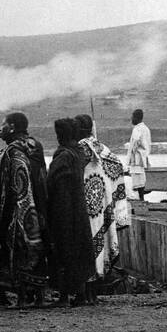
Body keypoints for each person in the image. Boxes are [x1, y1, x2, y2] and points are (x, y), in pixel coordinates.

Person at [0, 110, 48, 307]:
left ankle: (20, 296)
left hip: (16, 212)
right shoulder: (36, 146)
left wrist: (0, 219)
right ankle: (38, 296)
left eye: (3, 124)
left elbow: (4, 189)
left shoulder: (10, 153)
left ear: (12, 127)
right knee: (37, 248)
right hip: (38, 210)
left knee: (13, 250)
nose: (0, 128)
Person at [45, 118, 96, 306]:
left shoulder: (63, 155)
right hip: (78, 209)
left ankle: (64, 296)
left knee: (63, 249)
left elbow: (52, 182)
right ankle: (80, 294)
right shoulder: (78, 153)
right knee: (79, 249)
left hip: (62, 209)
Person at [74, 113, 127, 293]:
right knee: (101, 240)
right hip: (102, 203)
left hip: (87, 203)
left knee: (86, 242)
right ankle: (96, 284)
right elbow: (118, 166)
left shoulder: (81, 148)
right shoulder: (101, 147)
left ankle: (88, 286)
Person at [125, 109, 152, 200]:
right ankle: (141, 197)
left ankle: (139, 198)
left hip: (137, 156)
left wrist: (133, 150)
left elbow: (136, 140)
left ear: (136, 118)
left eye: (132, 117)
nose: (131, 119)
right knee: (141, 177)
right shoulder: (146, 128)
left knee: (136, 177)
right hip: (144, 156)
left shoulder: (137, 128)